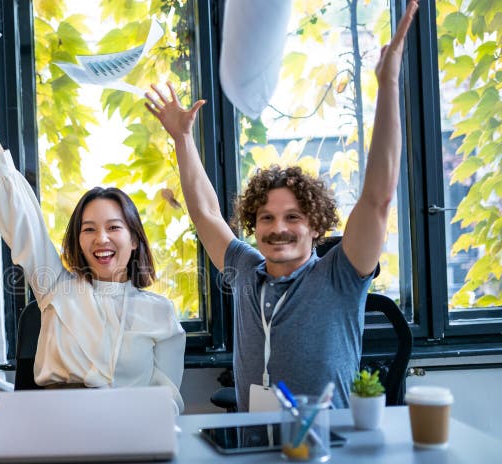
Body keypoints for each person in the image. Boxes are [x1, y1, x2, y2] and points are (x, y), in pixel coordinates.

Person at [145, 1, 419, 411]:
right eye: (267, 217)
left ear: (315, 226)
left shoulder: (340, 276)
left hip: (326, 447)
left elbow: (378, 198)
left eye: (293, 217)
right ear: (254, 225)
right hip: (255, 442)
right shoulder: (243, 270)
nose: (279, 228)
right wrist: (183, 139)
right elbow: (204, 213)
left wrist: (389, 82)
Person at [0, 96, 186, 412]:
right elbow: (23, 220)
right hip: (54, 426)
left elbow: (167, 399)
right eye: (88, 229)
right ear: (78, 240)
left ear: (134, 241)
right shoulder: (55, 288)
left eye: (114, 228)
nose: (101, 238)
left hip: (127, 432)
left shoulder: (161, 314)